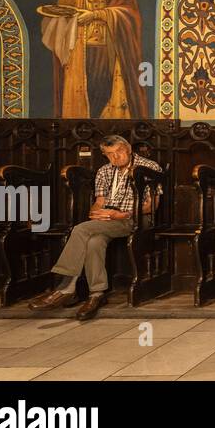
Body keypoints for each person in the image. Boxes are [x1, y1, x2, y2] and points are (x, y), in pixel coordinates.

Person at [27, 136, 162, 320]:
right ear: (105, 155)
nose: (116, 158)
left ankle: (65, 288)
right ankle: (96, 294)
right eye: (110, 154)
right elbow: (99, 202)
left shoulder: (148, 167)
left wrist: (122, 214)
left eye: (119, 152)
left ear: (128, 149)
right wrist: (97, 213)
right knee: (93, 241)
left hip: (136, 217)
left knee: (80, 230)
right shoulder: (105, 171)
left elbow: (151, 205)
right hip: (109, 218)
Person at [40, 0, 148, 119]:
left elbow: (129, 12)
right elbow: (63, 8)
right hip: (78, 44)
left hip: (109, 43)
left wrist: (98, 14)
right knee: (81, 87)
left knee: (105, 85)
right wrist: (65, 15)